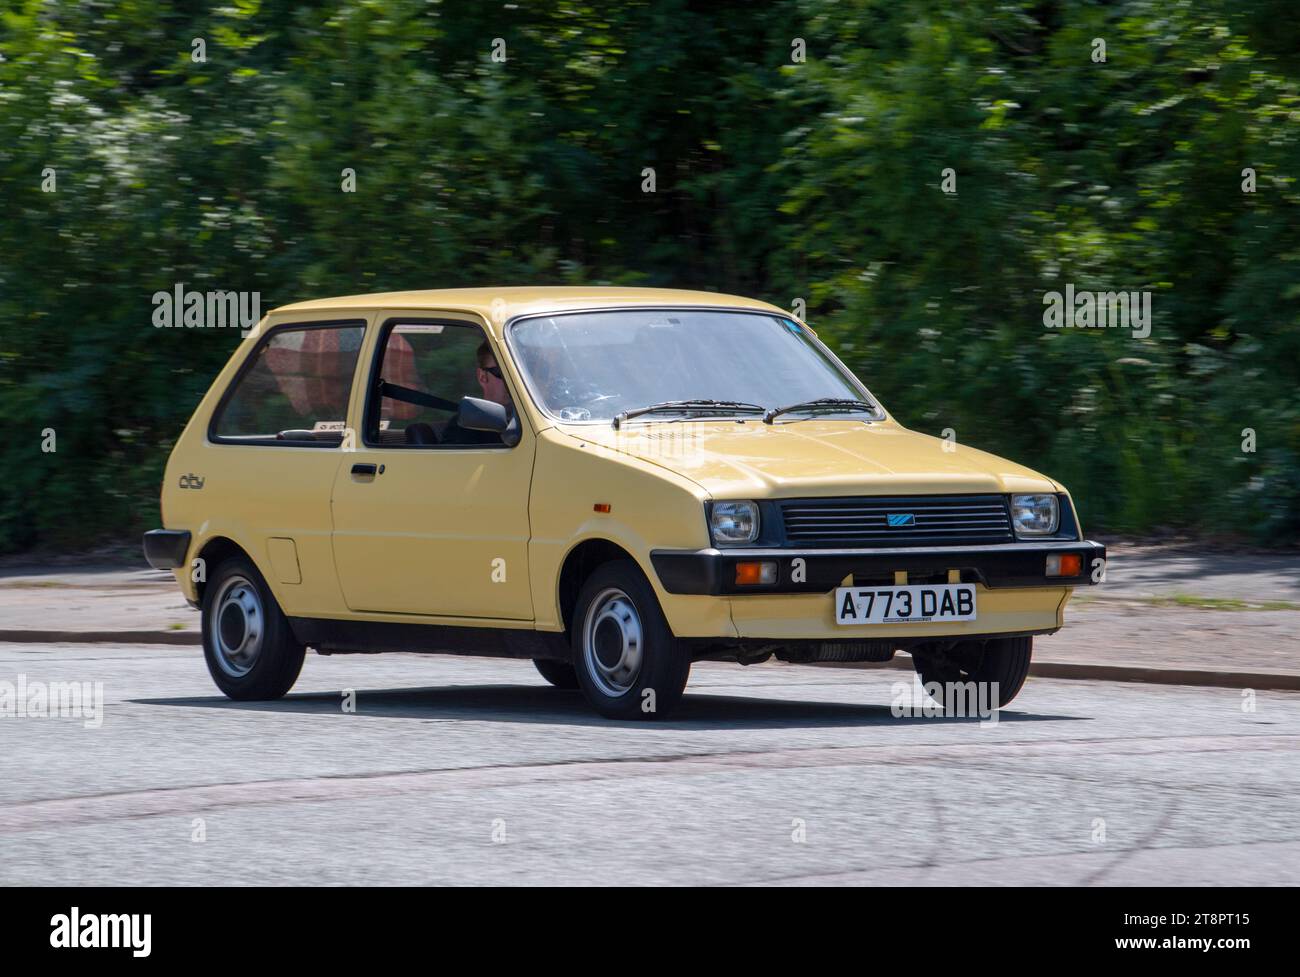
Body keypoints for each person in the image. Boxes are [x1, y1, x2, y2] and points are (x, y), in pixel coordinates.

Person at [439, 341, 514, 445]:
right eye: (504, 373)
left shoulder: (533, 421)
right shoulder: (463, 427)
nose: (514, 381)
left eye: (522, 374)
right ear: (482, 377)